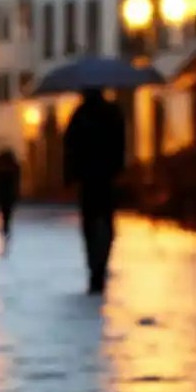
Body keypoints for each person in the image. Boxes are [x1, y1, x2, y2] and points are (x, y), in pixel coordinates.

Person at [64, 87, 126, 294]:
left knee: (90, 225)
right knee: (106, 224)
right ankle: (100, 264)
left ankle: (94, 267)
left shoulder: (80, 115)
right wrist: (118, 168)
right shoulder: (112, 112)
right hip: (106, 177)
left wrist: (70, 175)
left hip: (88, 178)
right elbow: (120, 144)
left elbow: (70, 146)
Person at [0, 150, 21, 248]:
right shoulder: (13, 170)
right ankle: (6, 228)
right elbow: (15, 184)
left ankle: (5, 228)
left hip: (3, 196)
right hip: (8, 196)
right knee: (7, 213)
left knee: (4, 213)